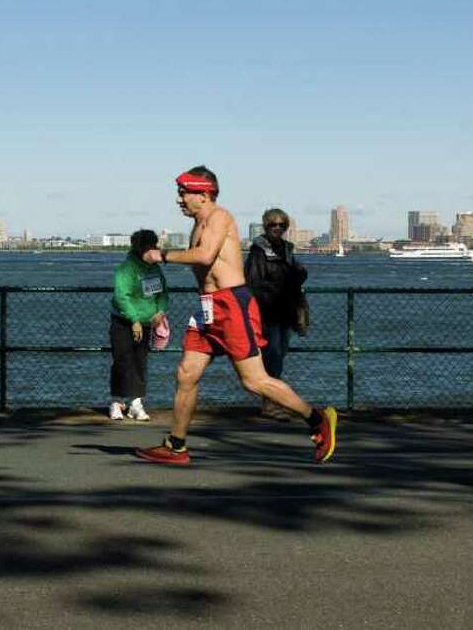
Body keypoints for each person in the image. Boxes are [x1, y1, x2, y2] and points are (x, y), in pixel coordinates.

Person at [134, 166, 337, 466]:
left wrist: (160, 255)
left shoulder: (220, 217)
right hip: (207, 308)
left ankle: (317, 419)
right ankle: (176, 446)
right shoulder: (198, 223)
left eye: (183, 193)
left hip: (232, 306)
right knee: (186, 373)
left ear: (203, 194)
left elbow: (204, 256)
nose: (179, 199)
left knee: (254, 381)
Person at [246, 208, 308, 420]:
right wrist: (278, 286)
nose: (277, 228)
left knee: (280, 354)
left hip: (285, 310)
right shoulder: (258, 250)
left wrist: (299, 274)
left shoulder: (287, 249)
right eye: (273, 224)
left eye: (282, 225)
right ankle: (269, 403)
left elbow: (296, 272)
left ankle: (274, 401)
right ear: (265, 225)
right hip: (268, 311)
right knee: (272, 356)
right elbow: (253, 281)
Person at [108, 229, 167, 421]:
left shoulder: (155, 269)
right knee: (122, 360)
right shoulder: (126, 269)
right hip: (123, 322)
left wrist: (160, 311)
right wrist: (134, 320)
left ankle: (136, 402)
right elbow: (121, 296)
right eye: (151, 246)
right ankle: (116, 401)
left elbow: (163, 293)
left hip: (147, 322)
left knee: (140, 362)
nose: (155, 250)